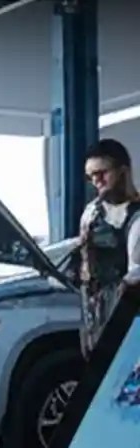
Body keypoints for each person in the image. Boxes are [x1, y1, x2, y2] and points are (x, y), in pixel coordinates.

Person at [75, 139, 140, 358]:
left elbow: (136, 273)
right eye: (91, 176)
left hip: (128, 313)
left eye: (102, 173)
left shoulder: (137, 216)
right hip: (94, 314)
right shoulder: (91, 212)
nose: (96, 181)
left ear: (123, 171)